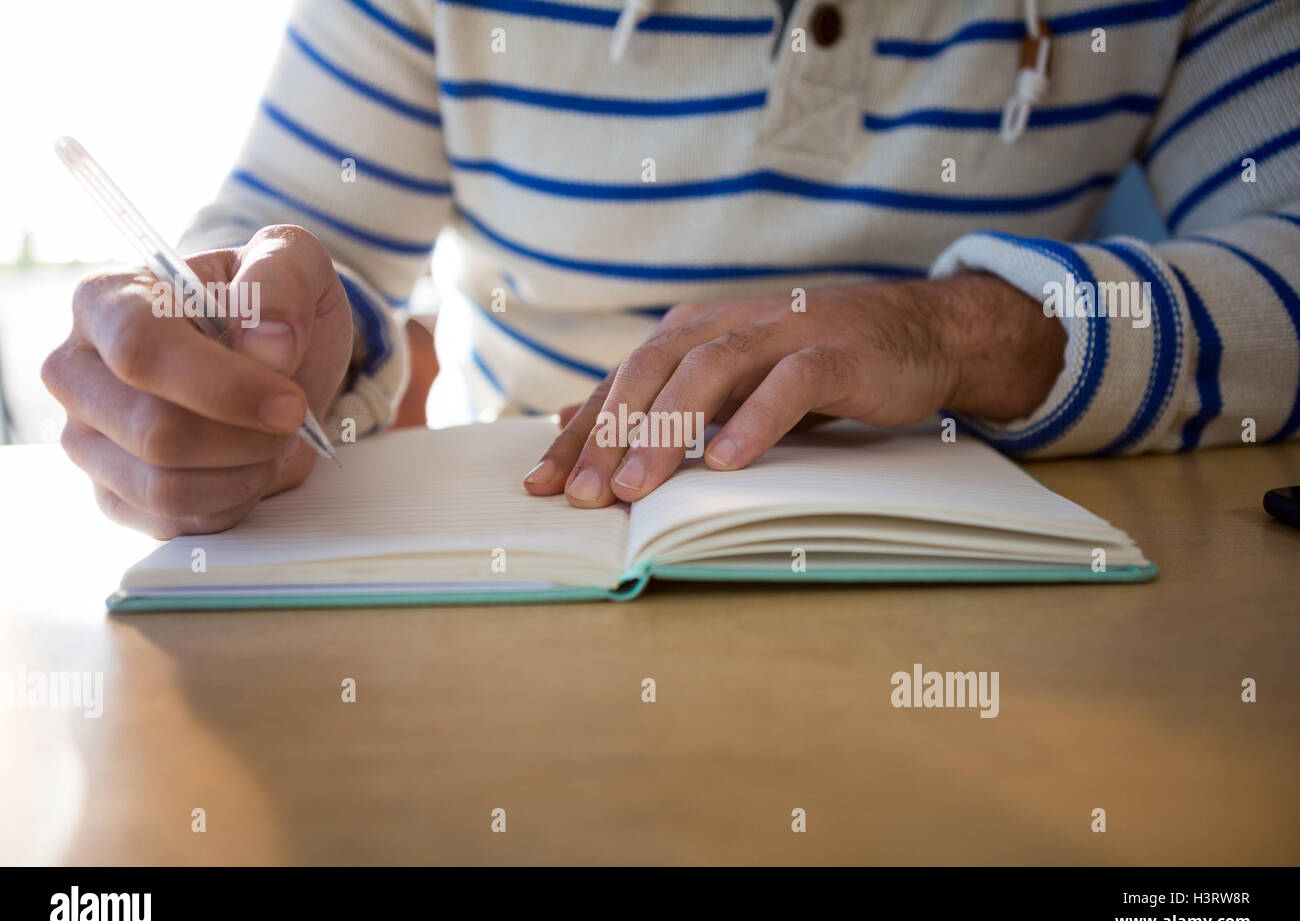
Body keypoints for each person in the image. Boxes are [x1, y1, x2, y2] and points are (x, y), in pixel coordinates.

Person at [41, 0, 1300, 538]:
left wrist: (975, 329)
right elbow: (295, 237)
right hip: (530, 582)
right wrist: (268, 355)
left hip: (1019, 610)